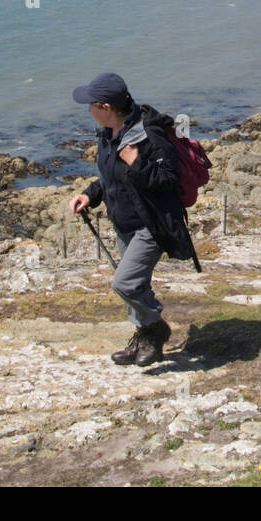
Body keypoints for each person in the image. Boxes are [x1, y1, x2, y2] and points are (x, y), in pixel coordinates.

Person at [67, 73, 192, 367]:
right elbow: (112, 179)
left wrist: (136, 162)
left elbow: (168, 179)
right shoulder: (107, 134)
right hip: (122, 223)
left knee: (124, 283)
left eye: (91, 105)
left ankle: (156, 328)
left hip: (151, 225)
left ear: (107, 107)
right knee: (138, 286)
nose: (88, 111)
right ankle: (144, 339)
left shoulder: (149, 134)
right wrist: (90, 194)